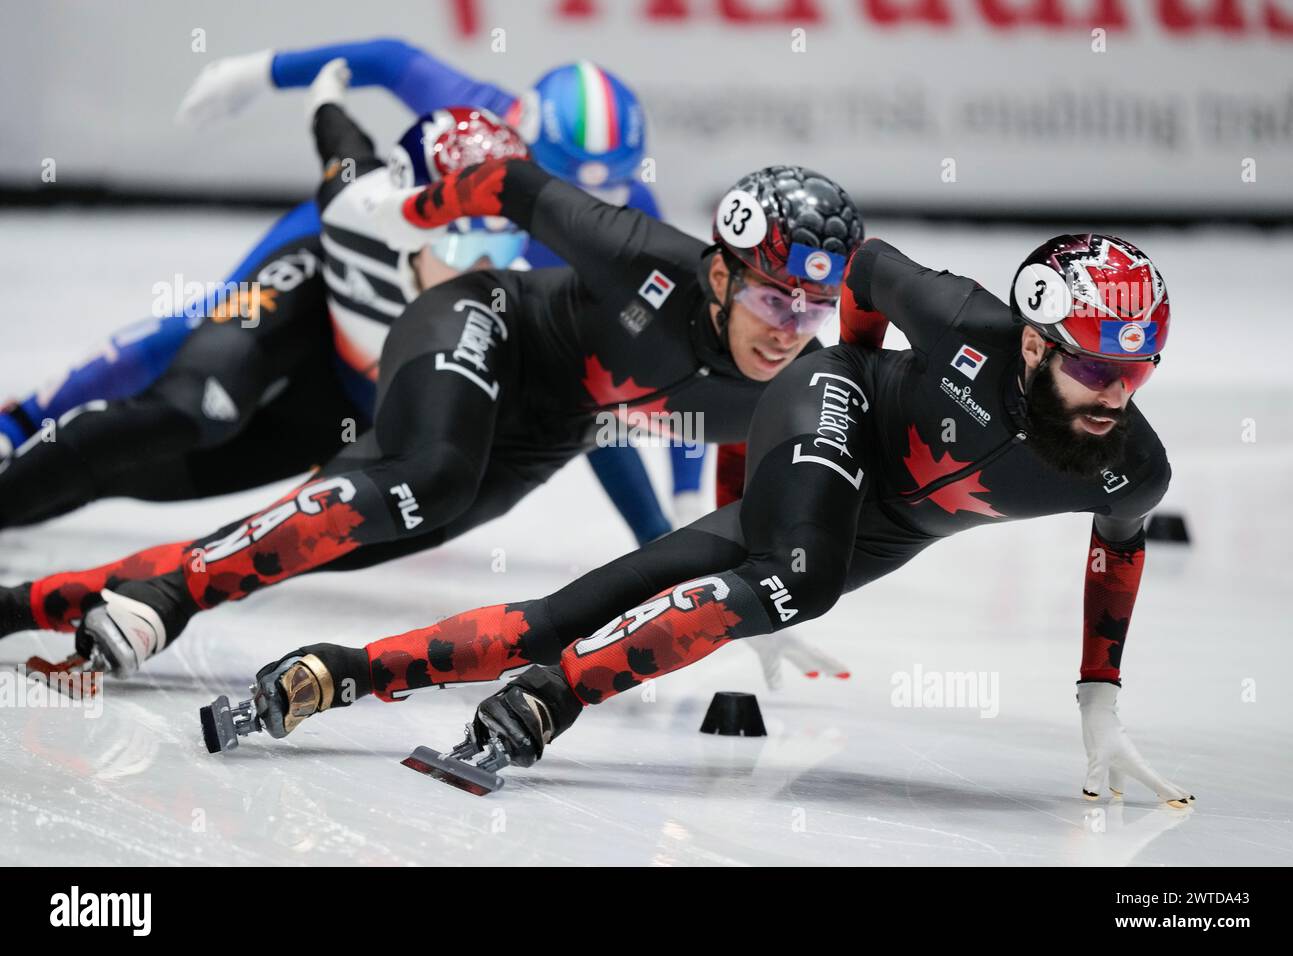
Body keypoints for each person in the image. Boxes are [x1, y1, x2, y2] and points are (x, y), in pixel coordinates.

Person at [241, 233, 1195, 808]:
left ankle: (343, 670)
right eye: (1096, 368)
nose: (1117, 394)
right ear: (1034, 343)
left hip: (879, 528)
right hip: (834, 405)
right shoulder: (965, 322)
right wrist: (863, 369)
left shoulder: (1132, 467)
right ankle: (544, 706)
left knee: (569, 614)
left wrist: (1098, 698)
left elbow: (1118, 555)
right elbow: (863, 269)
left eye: (1137, 371)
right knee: (798, 581)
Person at [0, 149, 864, 681]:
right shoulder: (641, 256)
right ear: (720, 277)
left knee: (327, 544)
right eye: (773, 299)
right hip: (480, 323)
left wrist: (749, 587)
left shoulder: (790, 382)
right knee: (432, 477)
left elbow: (752, 461)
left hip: (541, 437)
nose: (789, 331)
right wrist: (404, 215)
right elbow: (511, 181)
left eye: (811, 309)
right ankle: (165, 600)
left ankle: (28, 602)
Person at [178, 39, 704, 539]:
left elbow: (662, 358)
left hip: (418, 326)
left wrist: (683, 502)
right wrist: (263, 70)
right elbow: (388, 59)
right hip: (348, 242)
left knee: (574, 380)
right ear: (523, 138)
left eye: (610, 187)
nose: (587, 208)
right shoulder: (479, 112)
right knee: (189, 333)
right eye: (571, 181)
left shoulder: (632, 217)